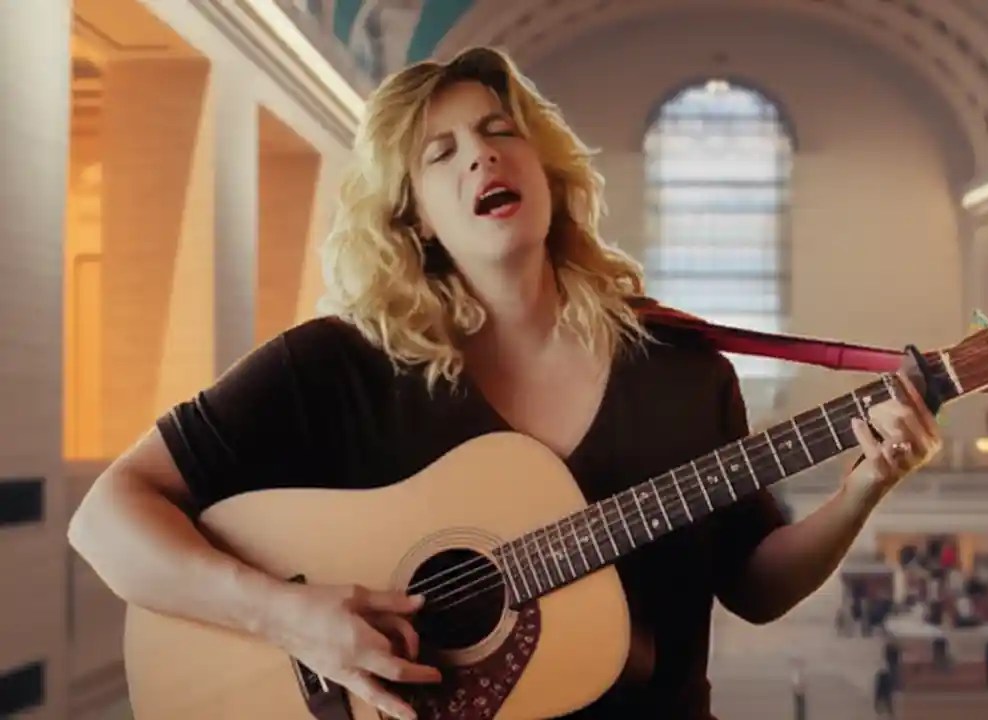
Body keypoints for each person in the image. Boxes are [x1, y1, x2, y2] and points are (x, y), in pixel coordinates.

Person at [65, 46, 942, 720]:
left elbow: (752, 586)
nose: (479, 160)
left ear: (547, 169)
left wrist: (864, 487)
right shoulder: (335, 365)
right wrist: (285, 618)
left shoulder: (681, 372)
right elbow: (107, 519)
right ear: (412, 214)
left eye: (498, 131)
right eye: (440, 153)